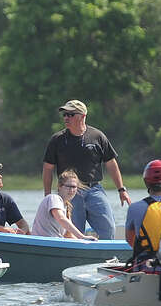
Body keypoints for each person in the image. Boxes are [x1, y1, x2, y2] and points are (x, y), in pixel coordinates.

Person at [42, 99, 130, 239]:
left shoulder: (97, 136)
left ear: (82, 116)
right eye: (65, 114)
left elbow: (111, 163)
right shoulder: (57, 140)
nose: (66, 118)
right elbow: (48, 168)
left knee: (108, 229)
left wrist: (121, 189)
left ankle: (104, 253)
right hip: (69, 192)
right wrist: (48, 196)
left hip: (94, 189)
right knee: (73, 233)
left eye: (70, 114)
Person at [30, 169, 93, 240]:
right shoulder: (53, 198)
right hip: (43, 241)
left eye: (74, 187)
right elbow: (61, 218)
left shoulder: (67, 207)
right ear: (60, 186)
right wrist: (82, 237)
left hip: (55, 241)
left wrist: (82, 241)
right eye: (69, 186)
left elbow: (68, 235)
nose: (71, 190)